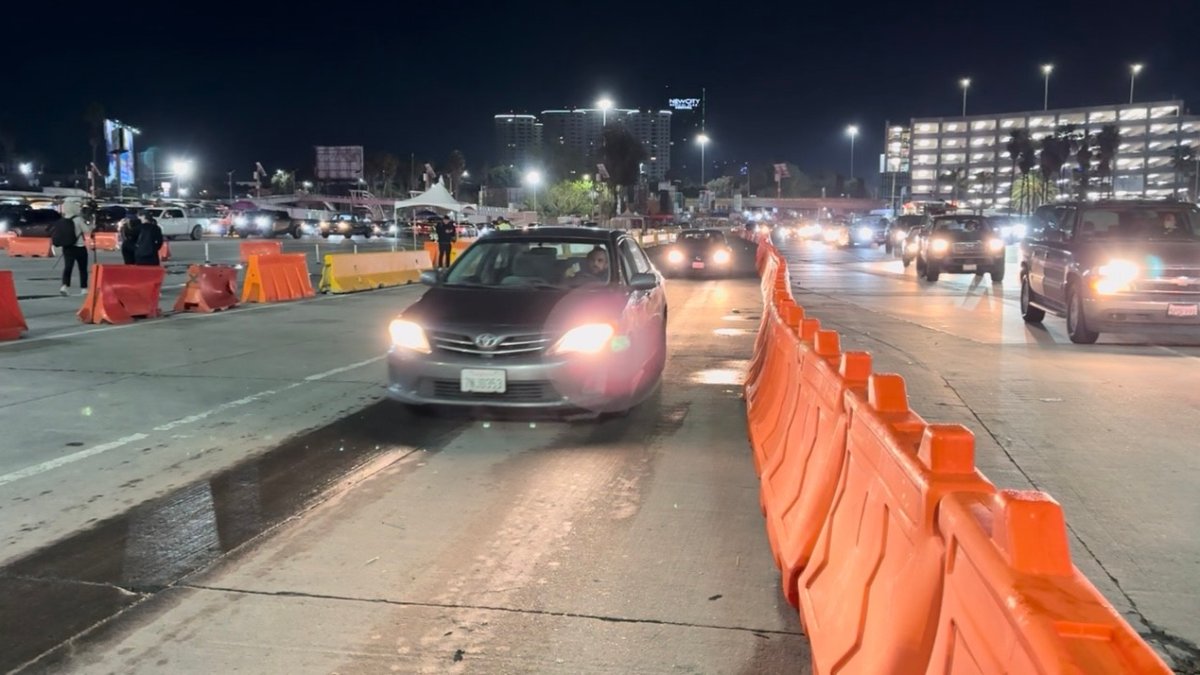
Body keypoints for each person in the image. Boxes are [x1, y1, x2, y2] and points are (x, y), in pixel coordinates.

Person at [53, 198, 93, 296]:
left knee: (68, 267)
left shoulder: (63, 219)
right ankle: (83, 288)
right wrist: (91, 223)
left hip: (67, 247)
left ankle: (64, 286)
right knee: (83, 269)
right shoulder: (78, 219)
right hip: (79, 247)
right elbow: (87, 230)